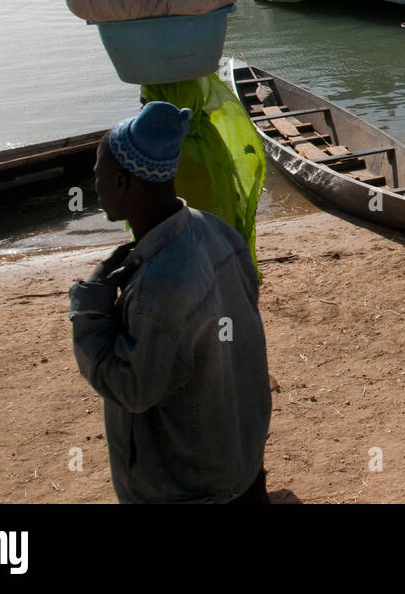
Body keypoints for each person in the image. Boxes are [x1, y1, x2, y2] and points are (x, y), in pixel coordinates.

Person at [69, 102, 272, 504]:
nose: (95, 187)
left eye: (99, 176)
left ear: (124, 182)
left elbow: (131, 388)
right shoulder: (214, 229)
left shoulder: (160, 283)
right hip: (240, 460)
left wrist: (89, 310)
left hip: (191, 488)